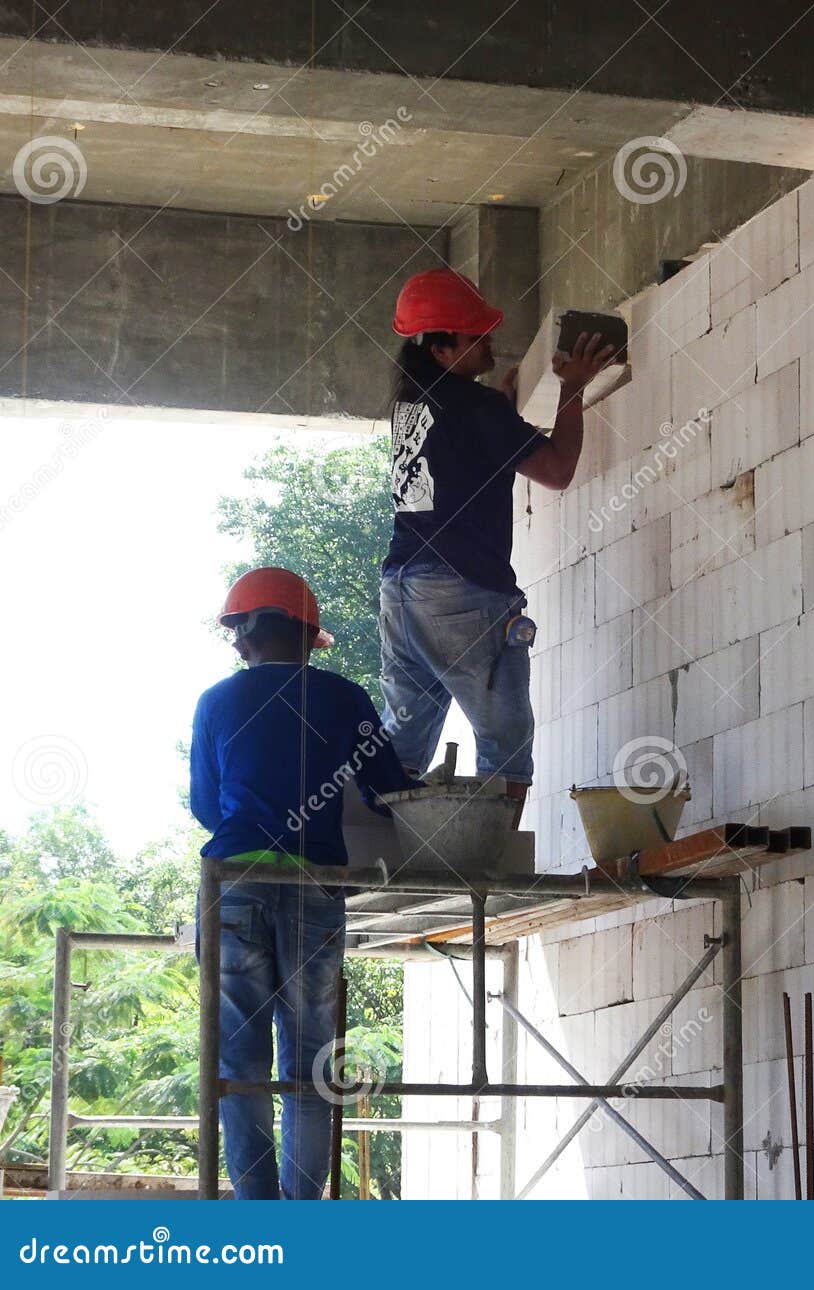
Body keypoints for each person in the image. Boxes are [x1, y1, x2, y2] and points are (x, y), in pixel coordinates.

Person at [190, 566, 416, 1200]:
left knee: (238, 1062)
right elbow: (386, 792)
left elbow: (208, 809)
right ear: (305, 633)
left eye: (239, 630)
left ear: (262, 627)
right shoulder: (345, 699)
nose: (235, 645)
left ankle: (257, 1223)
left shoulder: (215, 702)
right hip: (316, 885)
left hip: (233, 883)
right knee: (311, 1064)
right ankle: (302, 1222)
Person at [381, 268, 615, 799]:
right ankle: (497, 860)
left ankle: (385, 855)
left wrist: (505, 413)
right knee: (505, 740)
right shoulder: (477, 407)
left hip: (401, 590)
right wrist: (572, 388)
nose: (489, 341)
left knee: (405, 744)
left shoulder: (410, 409)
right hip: (459, 587)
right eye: (475, 336)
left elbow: (461, 467)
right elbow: (557, 471)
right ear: (443, 350)